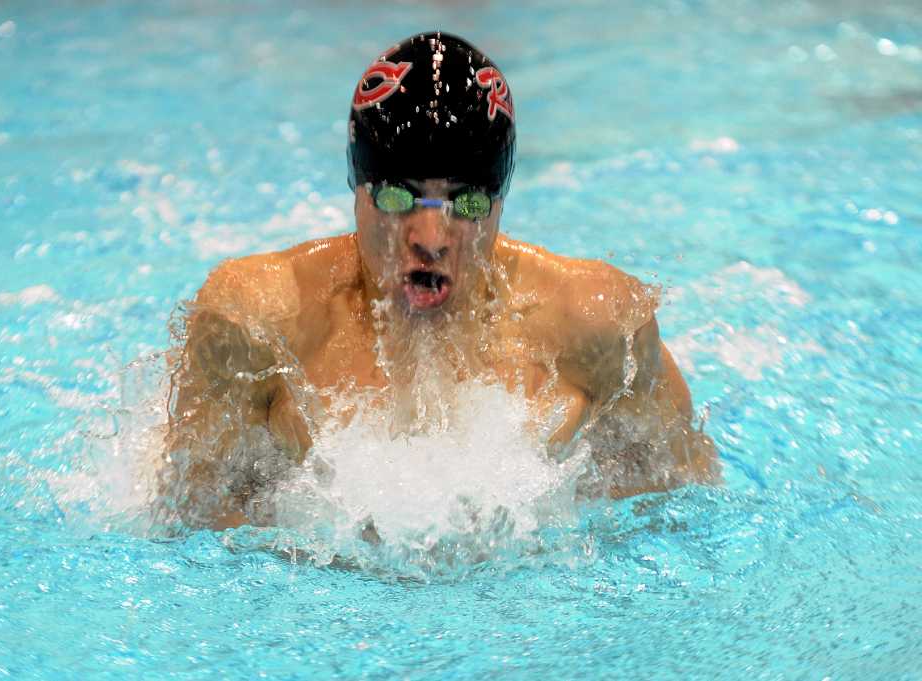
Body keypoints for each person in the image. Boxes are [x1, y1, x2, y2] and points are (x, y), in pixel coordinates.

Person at [163, 32, 717, 530]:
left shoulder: (594, 324)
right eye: (399, 196)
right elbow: (192, 518)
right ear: (356, 186)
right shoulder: (259, 319)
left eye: (465, 201)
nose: (431, 235)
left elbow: (681, 504)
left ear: (500, 202)